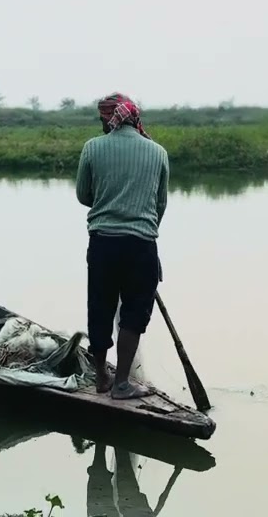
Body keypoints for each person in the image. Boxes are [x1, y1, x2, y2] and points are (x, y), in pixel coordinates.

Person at [75, 92, 169, 400]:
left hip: (102, 243)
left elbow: (84, 196)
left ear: (108, 119)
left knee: (100, 308)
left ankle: (102, 377)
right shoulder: (158, 152)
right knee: (134, 313)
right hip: (141, 245)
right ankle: (123, 384)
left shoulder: (92, 148)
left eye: (102, 119)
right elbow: (160, 205)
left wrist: (108, 198)